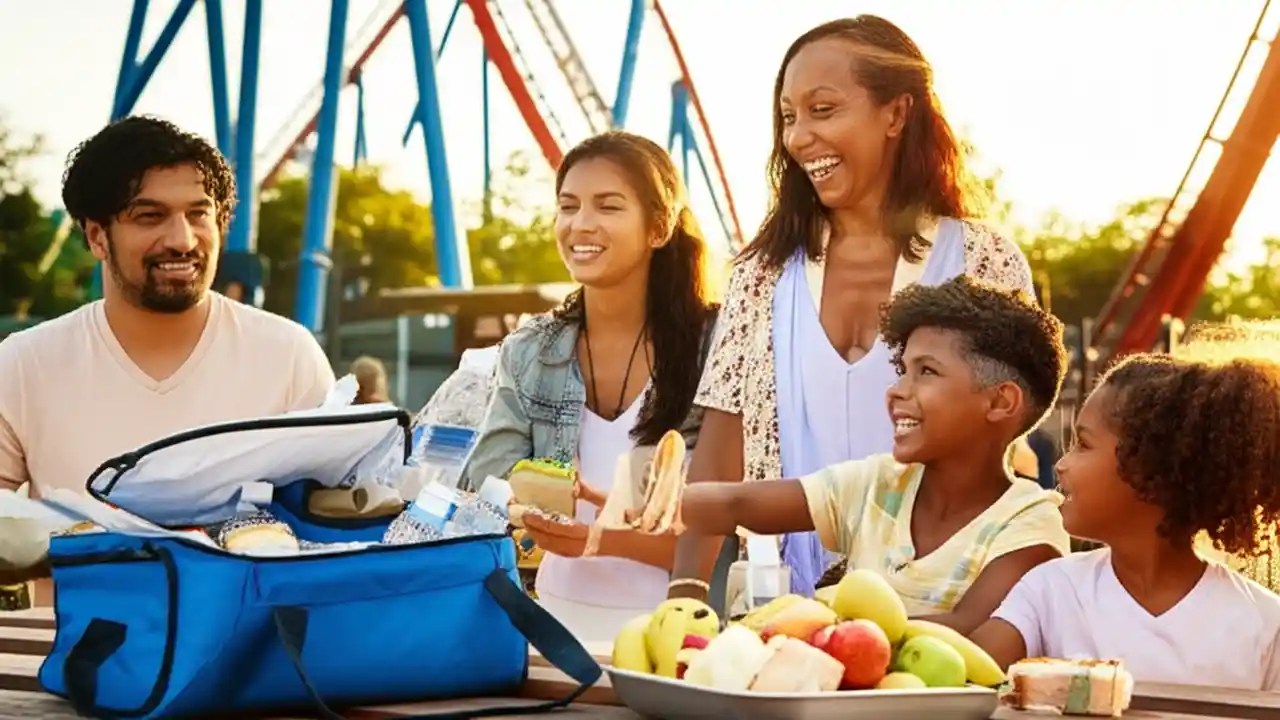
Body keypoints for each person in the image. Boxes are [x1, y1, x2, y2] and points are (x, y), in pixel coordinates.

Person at [669, 15, 1040, 601]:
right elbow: (718, 460)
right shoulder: (760, 275)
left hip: (946, 609)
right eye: (789, 118)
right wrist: (685, 600)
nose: (797, 138)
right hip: (785, 609)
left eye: (823, 109)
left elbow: (1008, 444)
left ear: (896, 113)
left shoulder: (983, 260)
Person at [0, 116, 335, 596]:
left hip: (253, 653)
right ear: (97, 236)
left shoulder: (287, 355)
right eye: (149, 216)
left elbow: (332, 531)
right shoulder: (23, 363)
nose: (181, 239)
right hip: (75, 656)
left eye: (199, 214)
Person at [678, 276, 1070, 633]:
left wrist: (820, 625)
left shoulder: (1030, 522)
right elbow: (738, 503)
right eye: (903, 370)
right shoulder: (879, 484)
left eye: (927, 372)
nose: (897, 390)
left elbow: (969, 626)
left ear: (1001, 401)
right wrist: (650, 504)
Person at [460, 131, 720, 640]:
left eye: (608, 206)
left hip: (685, 628)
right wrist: (528, 498)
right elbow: (483, 485)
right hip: (554, 623)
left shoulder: (718, 347)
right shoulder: (532, 348)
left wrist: (599, 537)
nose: (581, 224)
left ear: (659, 226)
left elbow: (729, 530)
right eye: (568, 206)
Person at [971, 347, 1280, 690]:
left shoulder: (1265, 625)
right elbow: (966, 673)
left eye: (1083, 445)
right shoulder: (1050, 589)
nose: (1060, 464)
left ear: (1149, 469)